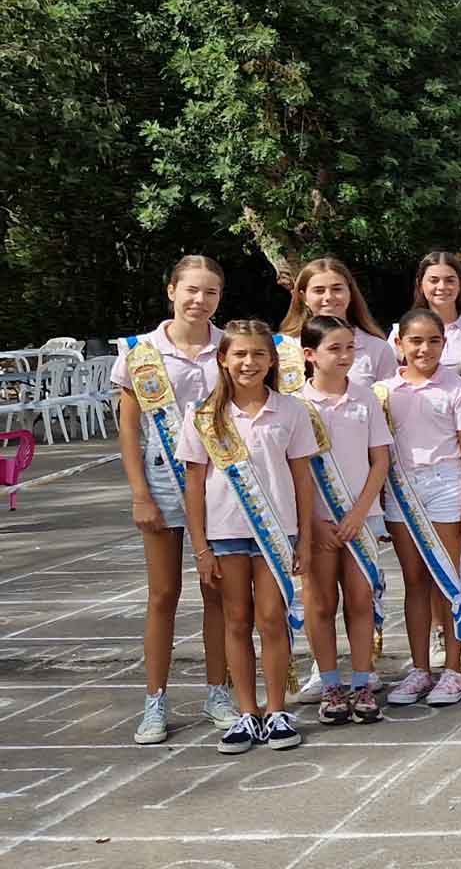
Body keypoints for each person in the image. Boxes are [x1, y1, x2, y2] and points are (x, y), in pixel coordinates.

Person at [114, 255, 240, 745]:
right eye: (190, 290)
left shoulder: (228, 347)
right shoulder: (141, 352)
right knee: (163, 594)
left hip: (221, 485)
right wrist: (140, 494)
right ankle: (155, 700)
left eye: (210, 292)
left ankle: (218, 691)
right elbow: (128, 430)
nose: (199, 300)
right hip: (164, 483)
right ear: (171, 290)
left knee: (219, 593)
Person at [179, 319, 319, 753]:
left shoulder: (291, 410)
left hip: (277, 534)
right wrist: (200, 547)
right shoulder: (204, 416)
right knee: (236, 623)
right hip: (225, 534)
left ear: (272, 360)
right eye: (239, 354)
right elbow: (194, 486)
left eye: (259, 354)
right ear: (223, 358)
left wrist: (306, 540)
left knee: (272, 621)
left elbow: (302, 481)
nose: (249, 362)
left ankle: (277, 710)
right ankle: (246, 713)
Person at [378, 310, 461, 708]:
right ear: (400, 344)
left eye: (433, 341)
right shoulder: (385, 392)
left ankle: (454, 668)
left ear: (444, 343)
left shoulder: (456, 387)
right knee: (415, 580)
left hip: (444, 487)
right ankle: (421, 668)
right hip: (403, 489)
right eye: (415, 341)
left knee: (449, 579)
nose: (424, 349)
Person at [296, 316, 393, 724]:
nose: (344, 356)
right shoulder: (296, 404)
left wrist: (358, 513)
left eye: (350, 348)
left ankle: (361, 681)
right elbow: (293, 471)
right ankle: (331, 684)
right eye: (334, 349)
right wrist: (313, 525)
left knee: (359, 600)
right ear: (310, 354)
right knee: (321, 603)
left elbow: (380, 459)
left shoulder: (365, 397)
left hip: (361, 518)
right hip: (316, 523)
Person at [280, 258, 397, 388]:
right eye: (319, 291)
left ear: (350, 293)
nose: (329, 297)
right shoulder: (285, 347)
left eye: (337, 289)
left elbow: (388, 402)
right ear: (303, 297)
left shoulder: (377, 349)